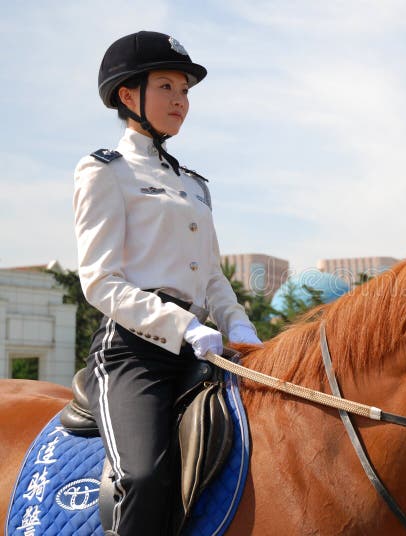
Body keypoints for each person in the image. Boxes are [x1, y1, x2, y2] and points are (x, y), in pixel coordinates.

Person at [72, 31, 261, 535]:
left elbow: (214, 277)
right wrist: (182, 326)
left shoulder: (195, 185)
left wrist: (242, 329)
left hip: (204, 347)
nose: (181, 100)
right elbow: (100, 281)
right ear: (128, 95)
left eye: (185, 90)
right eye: (167, 87)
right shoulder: (103, 172)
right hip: (134, 351)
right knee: (146, 475)